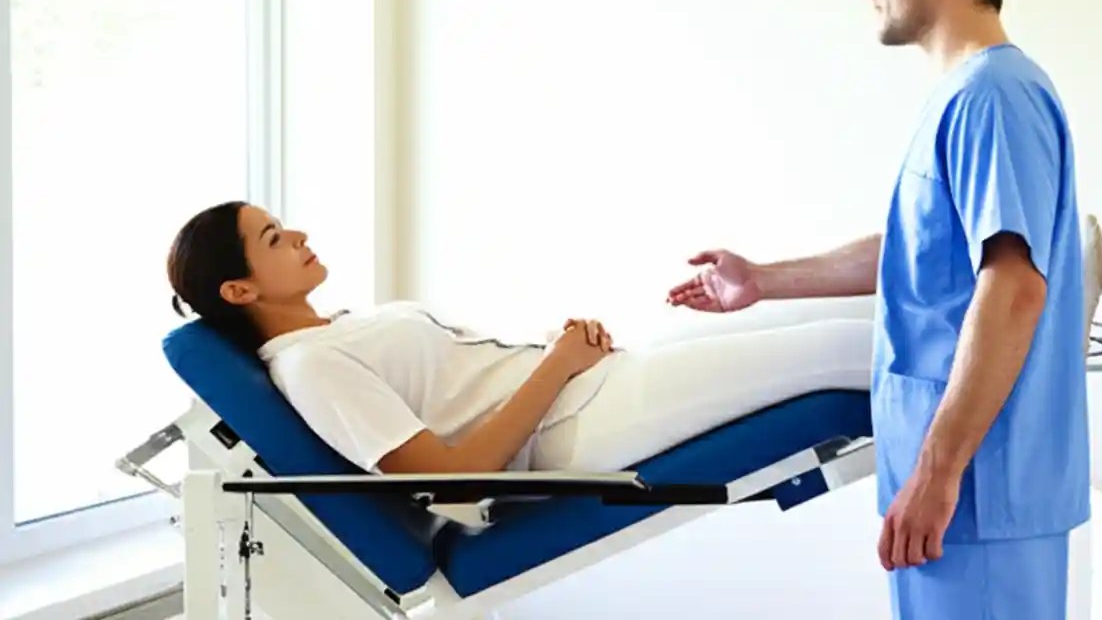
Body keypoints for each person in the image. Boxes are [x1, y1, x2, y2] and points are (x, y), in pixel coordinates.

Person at [667, 0, 1096, 618]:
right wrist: (764, 281)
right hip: (960, 492)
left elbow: (1014, 289)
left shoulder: (995, 96)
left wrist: (940, 469)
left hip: (977, 491)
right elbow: (917, 253)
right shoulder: (965, 95)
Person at [165, 200, 877, 476]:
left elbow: (461, 392)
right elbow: (448, 479)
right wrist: (558, 367)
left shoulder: (337, 330)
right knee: (838, 355)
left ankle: (985, 346)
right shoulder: (312, 367)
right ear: (240, 290)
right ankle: (988, 389)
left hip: (589, 390)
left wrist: (558, 353)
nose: (299, 235)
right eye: (274, 238)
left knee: (843, 325)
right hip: (577, 430)